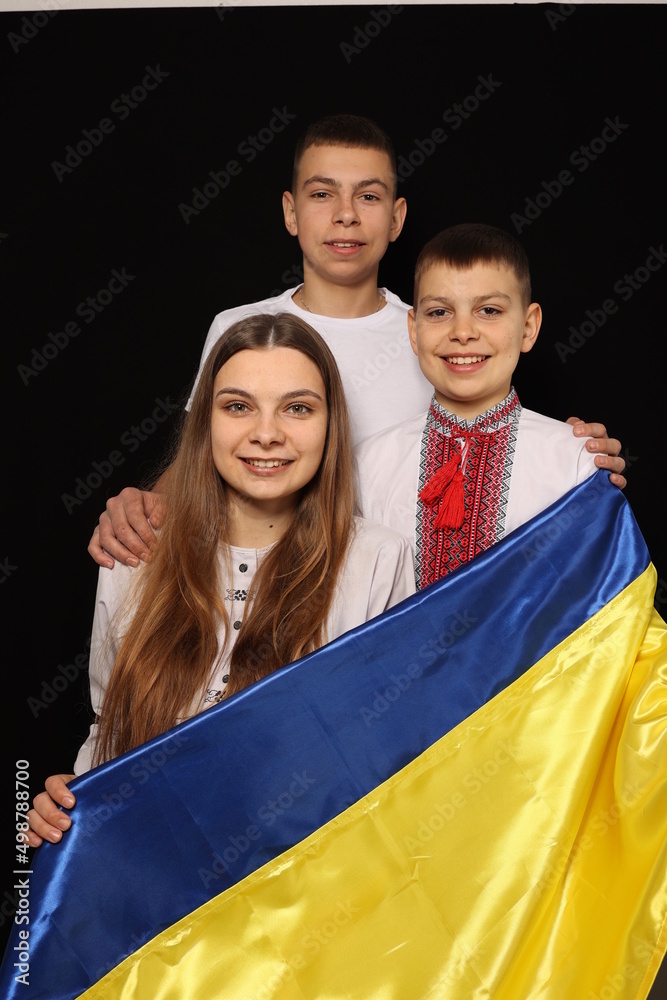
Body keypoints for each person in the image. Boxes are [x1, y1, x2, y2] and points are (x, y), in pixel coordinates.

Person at [87, 114, 626, 570]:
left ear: (396, 218)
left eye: (368, 196)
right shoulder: (241, 328)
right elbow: (201, 460)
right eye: (322, 194)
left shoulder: (435, 335)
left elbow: (486, 428)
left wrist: (566, 451)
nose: (345, 214)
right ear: (290, 211)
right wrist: (140, 506)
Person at [25, 312, 415, 847]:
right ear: (205, 422)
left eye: (298, 408)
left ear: (331, 425)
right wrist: (69, 806)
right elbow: (108, 728)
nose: (266, 434)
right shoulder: (135, 549)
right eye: (237, 406)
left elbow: (392, 757)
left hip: (304, 876)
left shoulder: (378, 560)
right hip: (152, 867)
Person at [355, 223, 602, 589]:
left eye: (488, 310)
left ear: (528, 327)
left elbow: (598, 604)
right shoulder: (367, 465)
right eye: (439, 312)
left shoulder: (574, 461)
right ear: (414, 330)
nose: (463, 332)